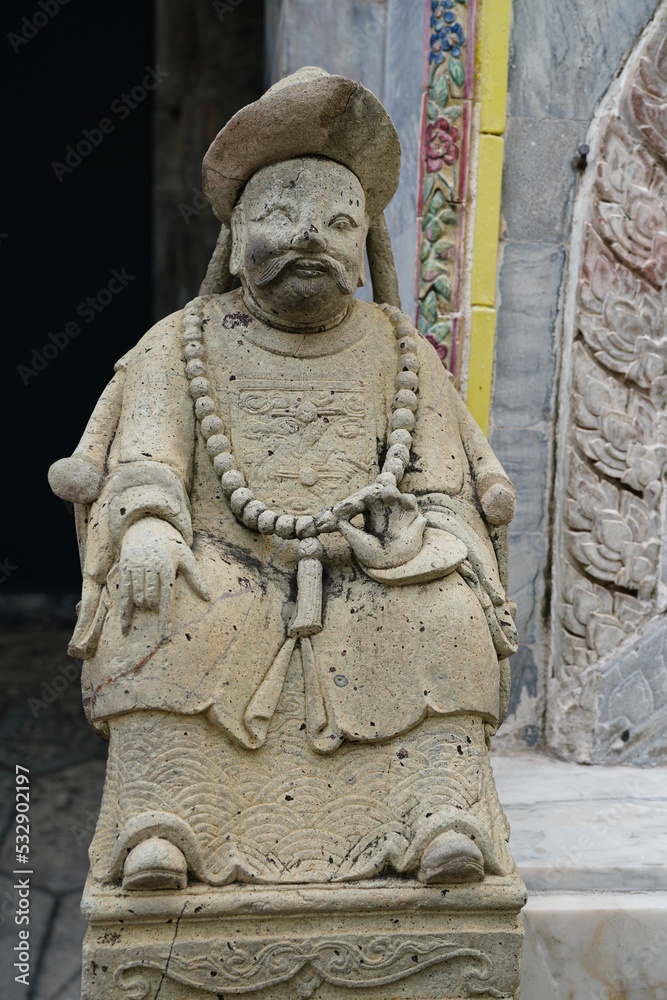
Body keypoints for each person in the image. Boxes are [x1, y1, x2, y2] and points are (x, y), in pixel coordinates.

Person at [49, 67, 519, 892]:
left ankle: (440, 815)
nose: (308, 236)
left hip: (370, 568)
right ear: (234, 239)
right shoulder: (181, 342)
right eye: (278, 215)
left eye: (336, 221)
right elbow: (146, 459)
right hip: (227, 559)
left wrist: (409, 538)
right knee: (162, 598)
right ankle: (163, 823)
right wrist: (152, 525)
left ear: (365, 242)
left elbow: (445, 488)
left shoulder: (400, 350)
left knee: (443, 609)